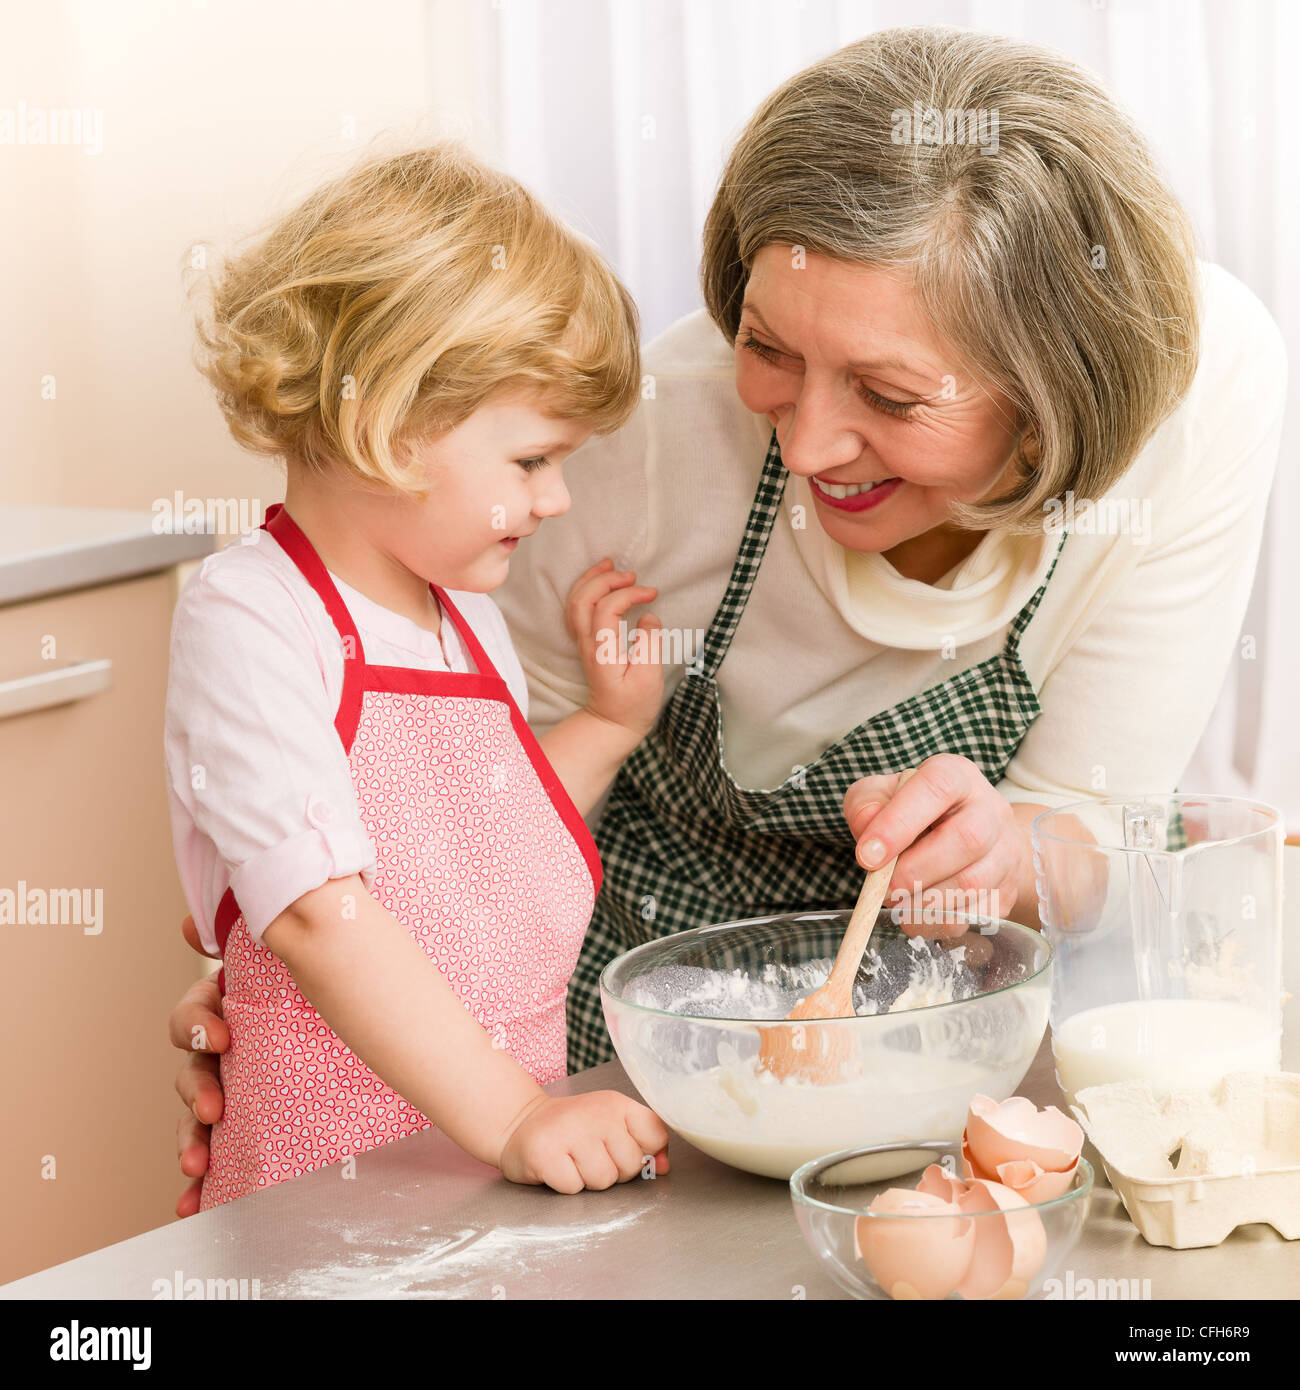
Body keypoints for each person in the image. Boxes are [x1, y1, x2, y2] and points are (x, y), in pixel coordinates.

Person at [171, 27, 1286, 1207]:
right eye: (764, 349)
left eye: (891, 396)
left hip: (919, 1059)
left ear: (1060, 392)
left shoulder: (1204, 403)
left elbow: (1102, 835)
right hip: (610, 1062)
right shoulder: (635, 434)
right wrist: (286, 966)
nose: (802, 443)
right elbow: (435, 819)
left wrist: (1013, 854)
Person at [166, 143, 669, 1208]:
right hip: (330, 1193)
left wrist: (611, 724)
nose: (557, 500)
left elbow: (477, 845)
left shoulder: (469, 619)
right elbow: (310, 913)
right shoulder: (253, 614)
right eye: (533, 459)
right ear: (386, 421)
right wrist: (518, 1116)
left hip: (487, 1175)